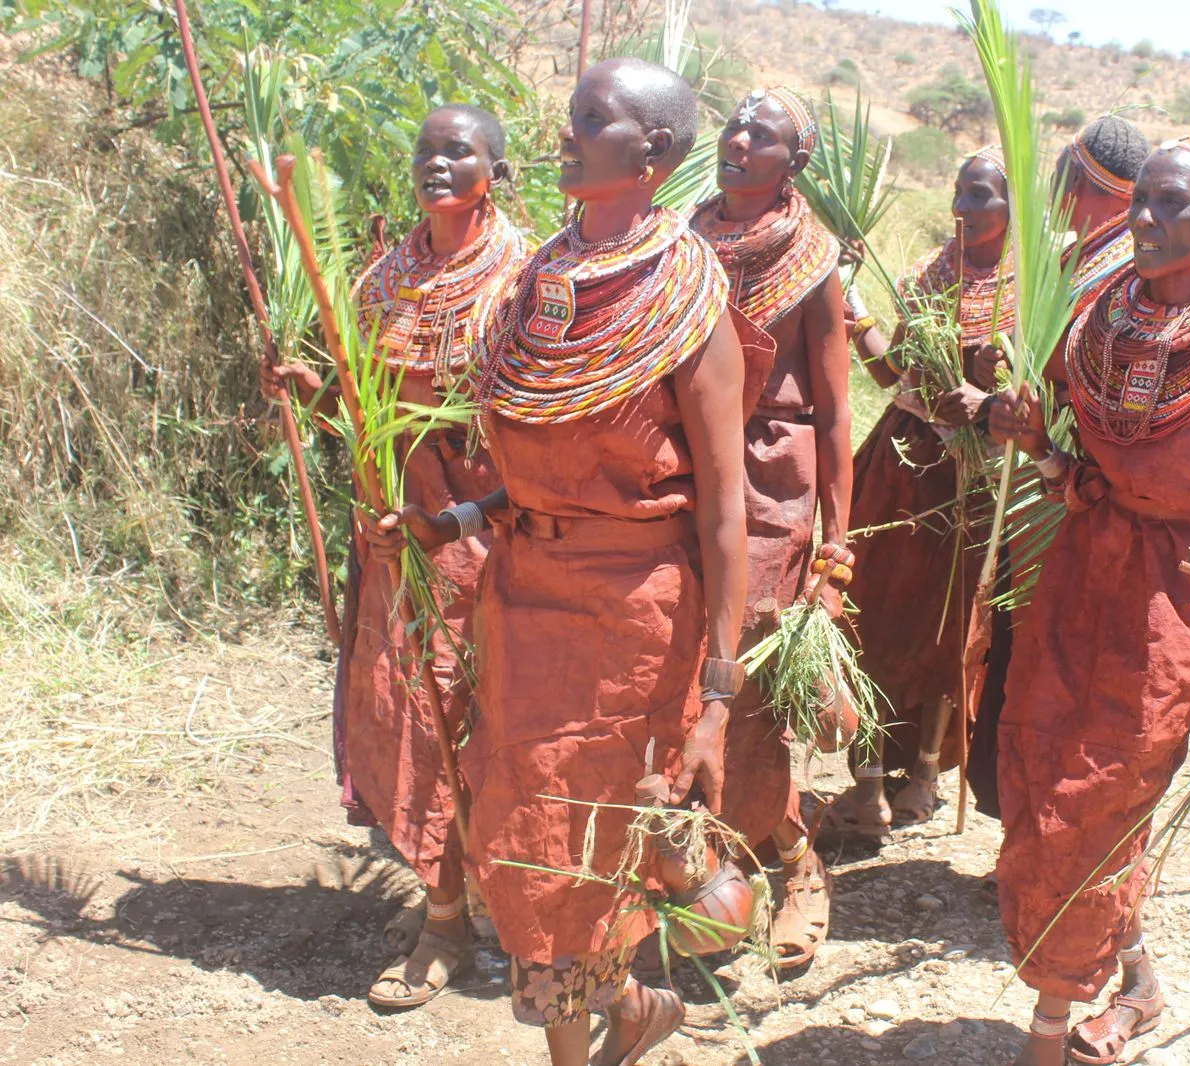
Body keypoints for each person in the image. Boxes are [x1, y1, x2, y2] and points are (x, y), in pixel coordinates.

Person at [368, 58, 748, 1066]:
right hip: (521, 602)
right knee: (526, 841)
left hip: (634, 625)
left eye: (591, 118)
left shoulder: (687, 292)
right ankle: (617, 1018)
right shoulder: (537, 279)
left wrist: (716, 699)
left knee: (587, 850)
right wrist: (454, 521)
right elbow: (535, 466)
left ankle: (586, 1039)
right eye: (572, 114)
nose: (565, 130)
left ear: (652, 153)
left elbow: (723, 507)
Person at [988, 137, 1190, 1065]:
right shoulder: (1094, 315)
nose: (1147, 223)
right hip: (1087, 558)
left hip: (1187, 588)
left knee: (1102, 792)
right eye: (1142, 205)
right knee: (1042, 772)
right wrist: (1021, 427)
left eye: (1174, 209)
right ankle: (1141, 982)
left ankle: (1049, 1030)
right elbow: (1059, 450)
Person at [262, 103, 525, 1009]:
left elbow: (533, 436)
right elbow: (364, 393)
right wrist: (317, 388)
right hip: (390, 535)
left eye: (459, 151)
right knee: (405, 712)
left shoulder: (525, 278)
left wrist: (452, 519)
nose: (437, 165)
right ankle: (444, 904)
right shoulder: (389, 273)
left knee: (464, 721)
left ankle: (464, 914)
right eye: (425, 151)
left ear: (497, 167)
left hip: (478, 538)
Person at [688, 85, 852, 970]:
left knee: (746, 691)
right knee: (684, 677)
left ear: (796, 163)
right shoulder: (678, 239)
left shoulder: (814, 258)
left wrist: (836, 544)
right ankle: (707, 860)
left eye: (765, 135)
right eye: (734, 126)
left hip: (770, 487)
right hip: (682, 481)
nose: (740, 140)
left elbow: (833, 414)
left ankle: (794, 862)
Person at [967, 115, 1151, 827]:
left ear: (1085, 184)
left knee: (1056, 660)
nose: (1051, 188)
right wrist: (996, 366)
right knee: (1026, 653)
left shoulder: (1127, 275)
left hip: (1075, 497)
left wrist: (1024, 387)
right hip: (1041, 490)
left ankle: (1050, 826)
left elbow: (1091, 380)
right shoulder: (1077, 261)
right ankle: (1024, 821)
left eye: (1062, 176)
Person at [830, 146, 1015, 834]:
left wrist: (992, 399)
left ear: (1011, 206)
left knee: (950, 624)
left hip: (968, 480)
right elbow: (892, 376)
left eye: (982, 197)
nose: (964, 211)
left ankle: (928, 773)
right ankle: (870, 781)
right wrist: (848, 300)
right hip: (899, 469)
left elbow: (1031, 391)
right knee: (870, 613)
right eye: (960, 195)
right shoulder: (928, 274)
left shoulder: (1028, 292)